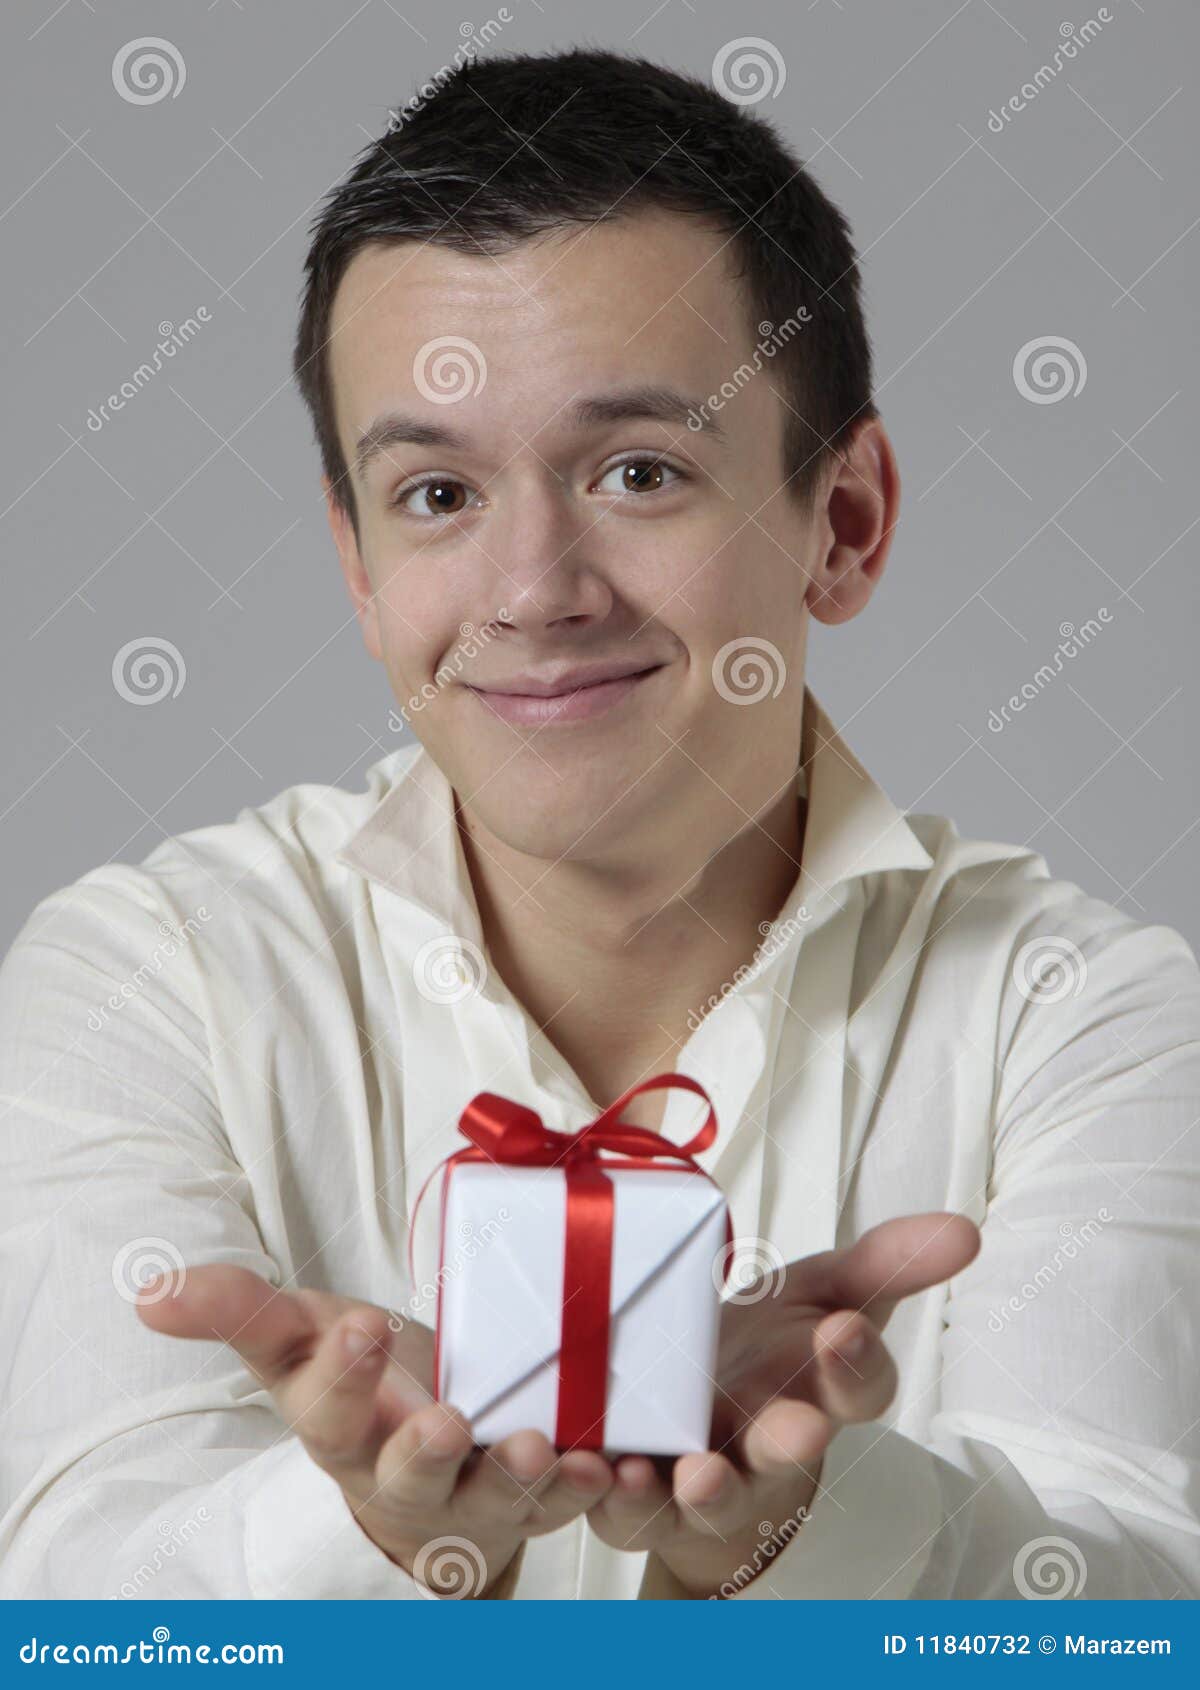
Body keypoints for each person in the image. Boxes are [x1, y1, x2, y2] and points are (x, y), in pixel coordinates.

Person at [1, 47, 1197, 1602]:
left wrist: (809, 1526)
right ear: (357, 564)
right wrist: (366, 1533)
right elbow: (78, 1624)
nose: (532, 591)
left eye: (639, 470)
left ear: (844, 522)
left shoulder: (1091, 1020)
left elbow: (1137, 1618)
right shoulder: (143, 979)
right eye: (435, 495)